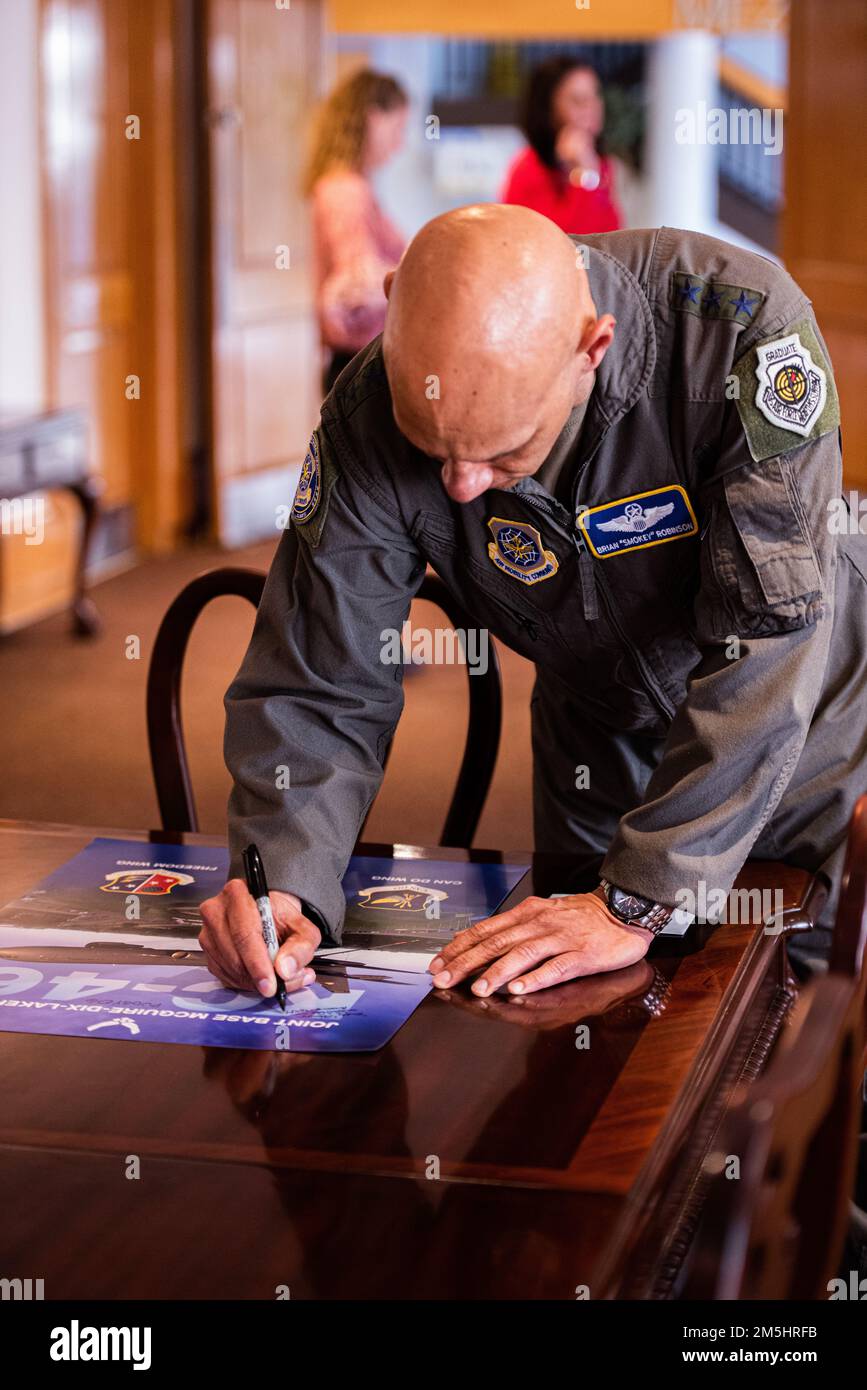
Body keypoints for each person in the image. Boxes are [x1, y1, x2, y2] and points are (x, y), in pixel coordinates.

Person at [199, 204, 866, 1008]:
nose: (460, 487)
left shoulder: (743, 331)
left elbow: (767, 643)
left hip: (814, 727)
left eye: (503, 452)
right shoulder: (371, 401)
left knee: (824, 1026)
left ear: (593, 349)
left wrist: (638, 898)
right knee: (592, 1034)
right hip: (599, 739)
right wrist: (288, 881)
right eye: (433, 449)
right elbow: (320, 676)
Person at [304, 69, 408, 395]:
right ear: (372, 118)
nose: (400, 143)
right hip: (360, 361)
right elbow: (357, 286)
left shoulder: (344, 185)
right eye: (398, 127)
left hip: (352, 360)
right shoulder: (347, 191)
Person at [501, 58, 622, 234]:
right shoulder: (529, 168)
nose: (593, 108)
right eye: (578, 100)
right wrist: (584, 174)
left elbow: (612, 236)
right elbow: (567, 242)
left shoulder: (601, 164)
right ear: (549, 110)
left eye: (595, 96)